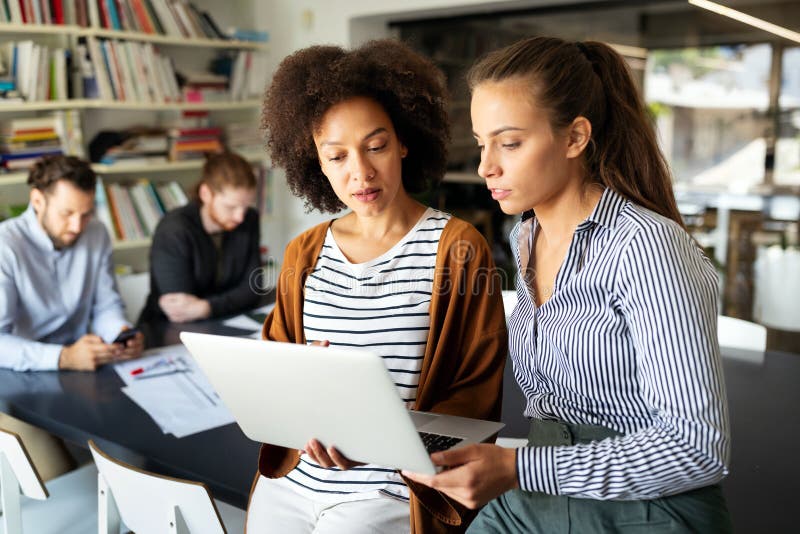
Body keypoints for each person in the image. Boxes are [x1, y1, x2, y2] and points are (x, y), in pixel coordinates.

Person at [403, 37, 732, 533]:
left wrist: (518, 468)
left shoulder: (645, 246)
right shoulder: (525, 238)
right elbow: (552, 415)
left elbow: (696, 447)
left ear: (575, 137)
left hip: (646, 511)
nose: (485, 166)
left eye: (509, 143)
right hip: (541, 497)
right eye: (481, 143)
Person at [246, 40, 508, 534]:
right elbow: (275, 370)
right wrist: (303, 417)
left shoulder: (456, 248)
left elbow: (474, 395)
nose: (360, 172)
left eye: (376, 145)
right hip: (296, 481)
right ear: (316, 162)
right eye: (337, 155)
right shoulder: (303, 252)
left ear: (404, 141)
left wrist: (374, 436)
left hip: (391, 488)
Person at [0, 155, 144, 372]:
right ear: (38, 201)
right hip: (22, 368)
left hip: (83, 363)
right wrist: (63, 357)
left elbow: (106, 305)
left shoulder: (97, 233)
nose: (77, 227)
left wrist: (120, 334)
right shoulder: (5, 246)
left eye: (86, 214)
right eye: (66, 213)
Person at [139, 151, 261, 324]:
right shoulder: (174, 230)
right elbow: (180, 309)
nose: (240, 217)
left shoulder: (250, 219)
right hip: (167, 330)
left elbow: (253, 288)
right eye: (230, 207)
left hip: (226, 321)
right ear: (205, 194)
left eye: (246, 206)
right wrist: (229, 301)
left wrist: (206, 307)